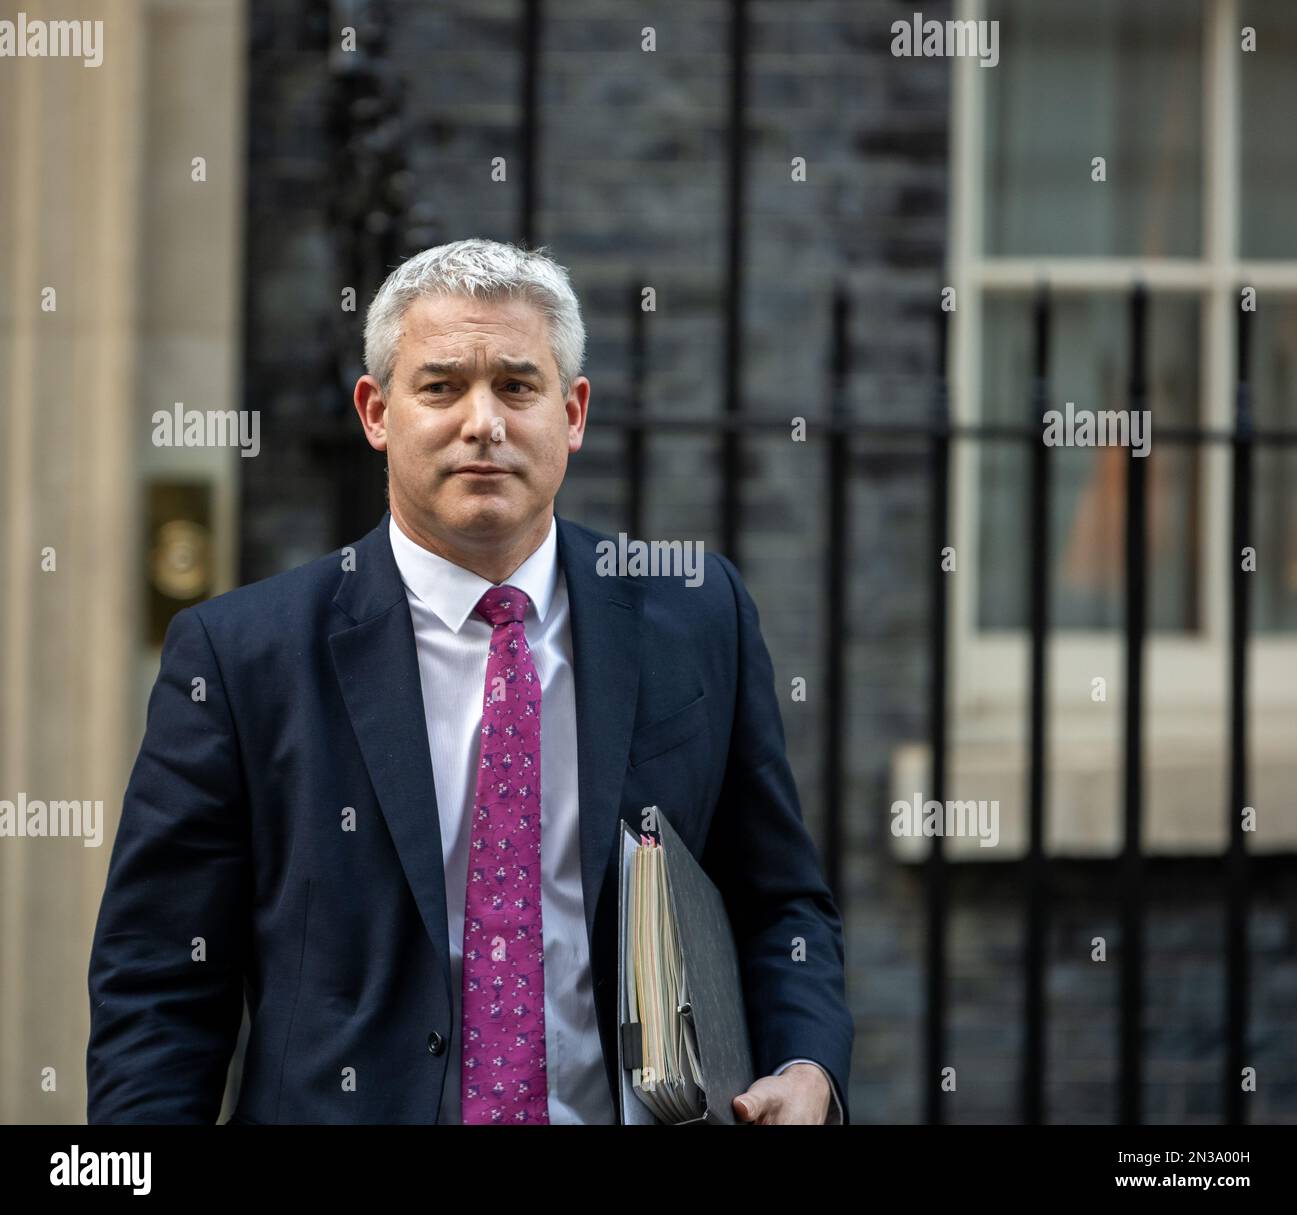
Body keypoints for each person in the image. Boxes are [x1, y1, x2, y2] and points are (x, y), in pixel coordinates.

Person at [86, 238, 853, 1125]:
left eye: (517, 387)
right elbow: (160, 986)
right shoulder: (241, 655)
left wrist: (807, 1067)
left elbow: (779, 899)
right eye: (442, 385)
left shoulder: (697, 615)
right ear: (376, 411)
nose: (482, 421)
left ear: (573, 413)